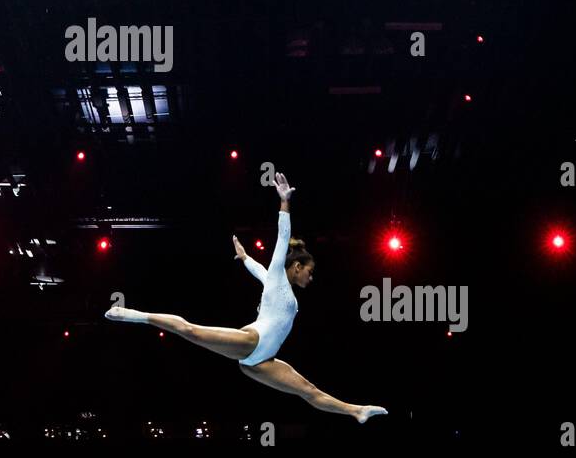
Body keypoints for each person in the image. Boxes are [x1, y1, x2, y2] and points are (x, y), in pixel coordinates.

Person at [106, 172, 387, 422]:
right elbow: (283, 237)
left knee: (309, 391)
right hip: (253, 342)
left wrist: (244, 258)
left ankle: (356, 410)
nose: (311, 278)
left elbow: (258, 271)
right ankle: (133, 315)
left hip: (262, 362)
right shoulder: (278, 273)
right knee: (191, 331)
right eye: (309, 272)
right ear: (297, 266)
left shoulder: (275, 283)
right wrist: (284, 202)